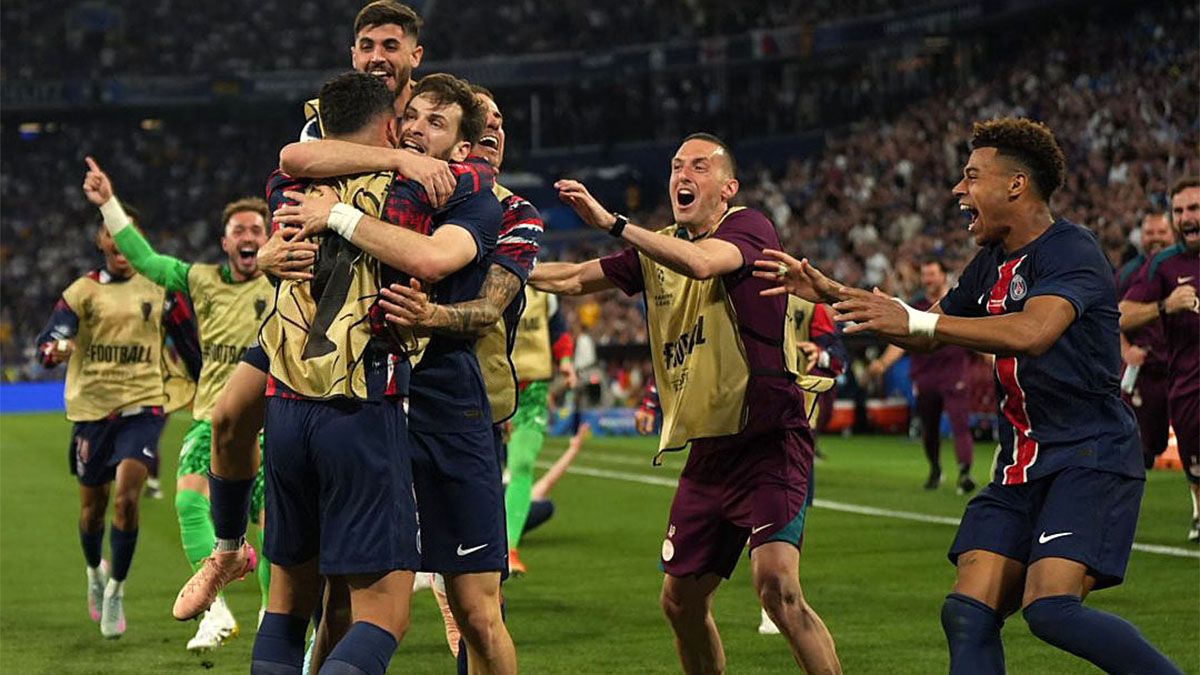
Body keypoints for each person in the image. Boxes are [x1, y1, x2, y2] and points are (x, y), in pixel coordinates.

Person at [761, 118, 1181, 674]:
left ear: (1015, 185)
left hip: (1089, 456)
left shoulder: (1071, 250)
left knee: (1052, 610)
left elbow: (1032, 332)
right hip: (1018, 467)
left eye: (970, 177)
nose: (959, 190)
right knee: (967, 613)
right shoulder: (989, 263)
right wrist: (830, 294)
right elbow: (917, 328)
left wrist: (923, 325)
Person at [172, 0, 454, 622]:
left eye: (390, 45)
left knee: (432, 465)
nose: (377, 57)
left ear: (415, 55)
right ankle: (225, 550)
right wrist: (400, 159)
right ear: (353, 54)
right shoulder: (337, 114)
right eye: (366, 46)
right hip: (316, 314)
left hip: (399, 316)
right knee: (226, 418)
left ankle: (453, 583)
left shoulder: (437, 111)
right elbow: (298, 161)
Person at [529, 133, 842, 674]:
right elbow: (578, 277)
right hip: (711, 450)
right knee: (679, 602)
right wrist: (505, 267)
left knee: (778, 589)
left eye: (699, 166)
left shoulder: (749, 227)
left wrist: (613, 223)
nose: (682, 175)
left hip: (769, 438)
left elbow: (701, 263)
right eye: (676, 166)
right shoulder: (660, 248)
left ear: (727, 188)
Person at [272, 72, 513, 674]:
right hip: (364, 402)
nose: (417, 129)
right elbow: (294, 153)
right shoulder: (370, 172)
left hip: (445, 411)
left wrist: (339, 218)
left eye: (438, 122)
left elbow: (464, 287)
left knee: (476, 613)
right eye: (415, 117)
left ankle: (226, 543)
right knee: (340, 604)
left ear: (467, 147)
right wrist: (269, 260)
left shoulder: (485, 198)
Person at [84, 157, 275, 650]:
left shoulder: (285, 282)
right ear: (226, 243)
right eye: (239, 230)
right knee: (190, 500)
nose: (248, 236)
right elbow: (145, 261)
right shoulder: (201, 279)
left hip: (273, 421)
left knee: (276, 528)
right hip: (212, 417)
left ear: (269, 238)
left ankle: (279, 621)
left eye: (257, 228)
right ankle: (215, 609)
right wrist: (109, 204)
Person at [36, 207, 197, 639]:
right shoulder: (83, 291)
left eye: (127, 233)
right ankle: (94, 571)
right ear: (102, 241)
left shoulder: (161, 289)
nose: (120, 242)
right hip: (93, 413)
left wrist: (210, 387)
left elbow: (191, 345)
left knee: (127, 499)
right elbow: (49, 341)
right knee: (92, 511)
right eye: (111, 233)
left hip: (144, 408)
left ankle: (116, 591)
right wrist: (55, 349)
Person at [1119, 177, 1200, 541]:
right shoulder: (1161, 266)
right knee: (1191, 460)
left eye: (1194, 209)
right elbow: (1120, 315)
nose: (1187, 217)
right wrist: (1166, 305)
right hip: (1184, 382)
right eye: (1180, 210)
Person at [868, 259, 977, 494]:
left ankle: (965, 472)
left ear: (944, 276)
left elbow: (976, 333)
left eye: (932, 274)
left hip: (954, 372)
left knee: (960, 423)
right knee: (930, 427)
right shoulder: (916, 305)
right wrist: (883, 363)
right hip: (925, 374)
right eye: (925, 275)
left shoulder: (957, 303)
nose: (928, 279)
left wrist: (996, 356)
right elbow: (903, 341)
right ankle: (936, 468)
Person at [1114, 213, 1174, 470]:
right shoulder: (1128, 273)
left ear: (1172, 233)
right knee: (1144, 448)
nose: (1156, 239)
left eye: (1161, 232)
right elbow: (1108, 316)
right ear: (1141, 237)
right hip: (1146, 372)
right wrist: (1125, 350)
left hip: (1185, 367)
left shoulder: (1187, 265)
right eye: (1150, 233)